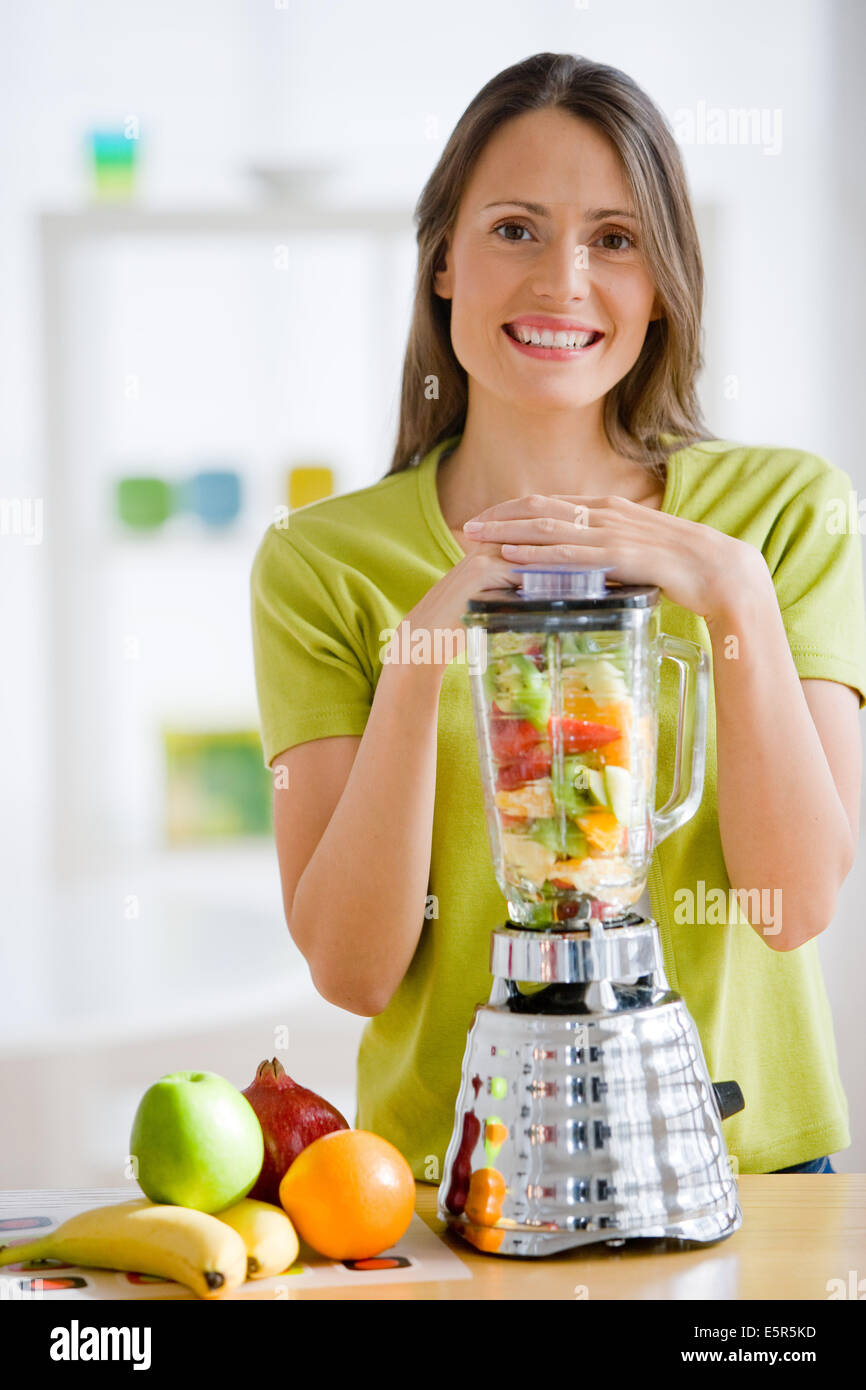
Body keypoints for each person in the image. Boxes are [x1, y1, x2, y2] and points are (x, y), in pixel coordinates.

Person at [250, 53, 866, 1181]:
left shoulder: (781, 516)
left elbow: (795, 902)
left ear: (663, 279)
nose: (563, 280)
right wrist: (429, 645)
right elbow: (352, 970)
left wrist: (731, 595)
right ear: (443, 260)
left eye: (614, 239)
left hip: (752, 1171)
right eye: (515, 229)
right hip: (448, 1183)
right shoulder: (321, 562)